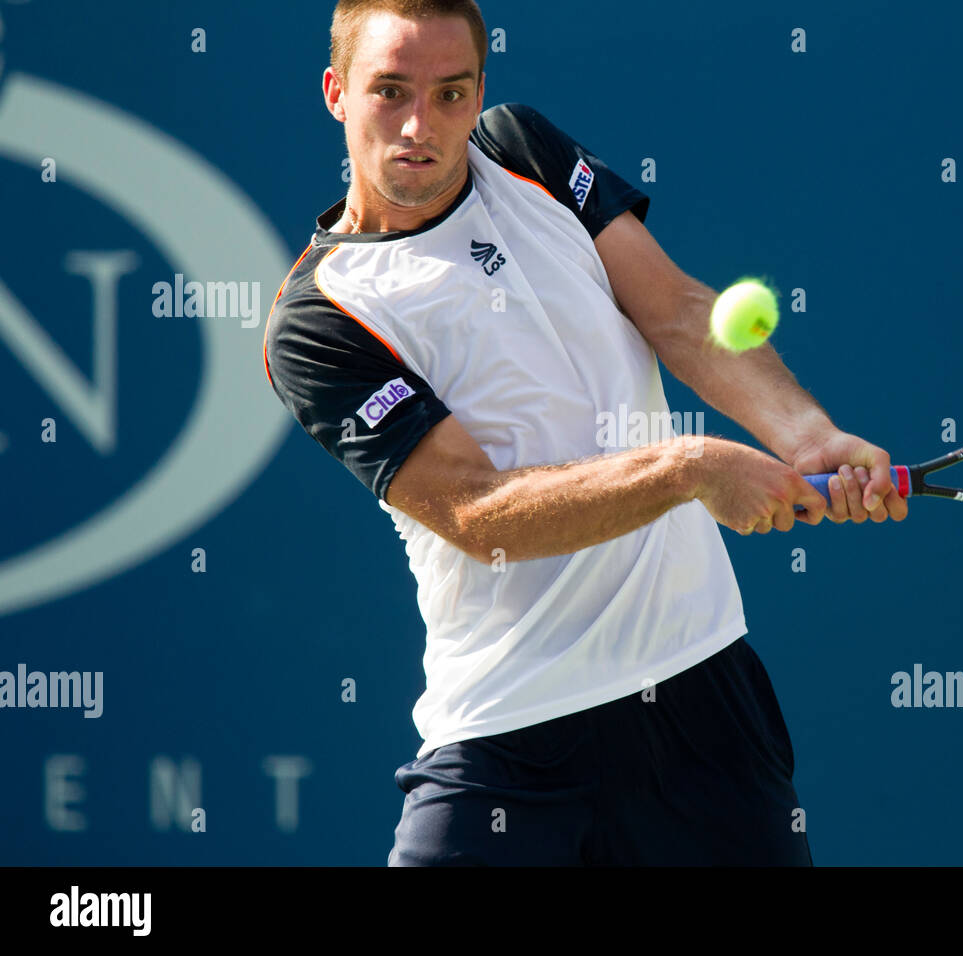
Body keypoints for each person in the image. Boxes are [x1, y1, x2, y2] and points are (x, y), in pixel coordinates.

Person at [263, 0, 907, 866]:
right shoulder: (319, 319)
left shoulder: (524, 150)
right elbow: (475, 511)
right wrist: (685, 469)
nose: (421, 125)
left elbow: (679, 312)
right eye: (391, 92)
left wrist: (809, 435)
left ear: (480, 89)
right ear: (337, 92)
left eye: (452, 94)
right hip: (506, 739)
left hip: (701, 701)